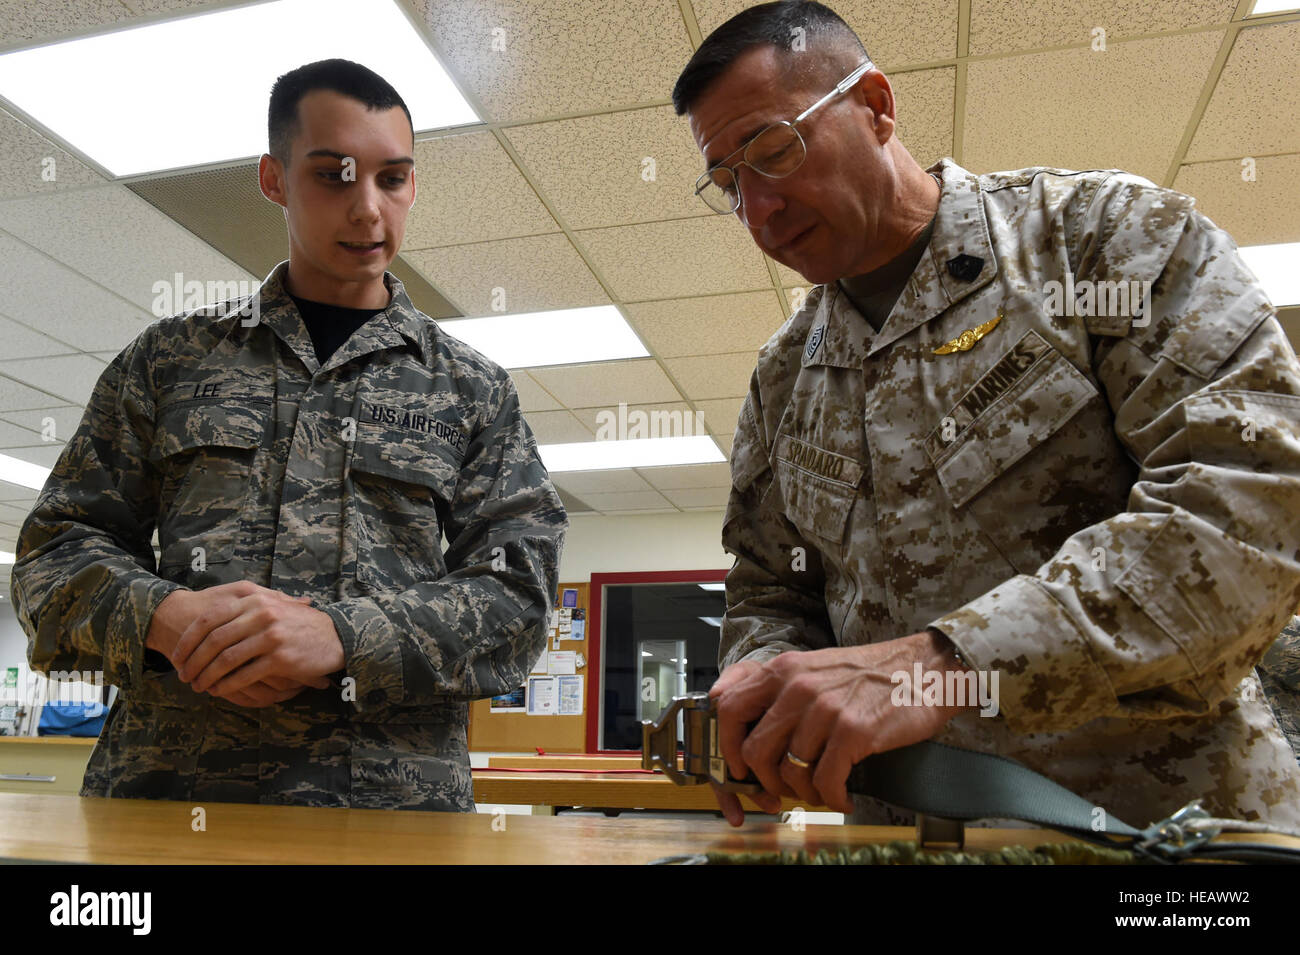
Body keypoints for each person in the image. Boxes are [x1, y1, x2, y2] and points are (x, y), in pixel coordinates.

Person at [672, 1, 1300, 828]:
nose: (758, 213)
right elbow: (771, 589)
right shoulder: (784, 376)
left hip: (1157, 836)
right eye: (729, 182)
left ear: (876, 106)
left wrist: (938, 669)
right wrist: (763, 689)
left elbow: (1251, 507)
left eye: (774, 151)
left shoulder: (1105, 242)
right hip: (902, 839)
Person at [9, 59, 567, 811]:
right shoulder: (170, 360)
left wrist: (342, 636)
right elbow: (53, 555)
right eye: (334, 176)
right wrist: (165, 618)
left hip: (389, 820)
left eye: (392, 178)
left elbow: (518, 597)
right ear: (274, 179)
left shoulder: (471, 388)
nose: (369, 209)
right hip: (169, 802)